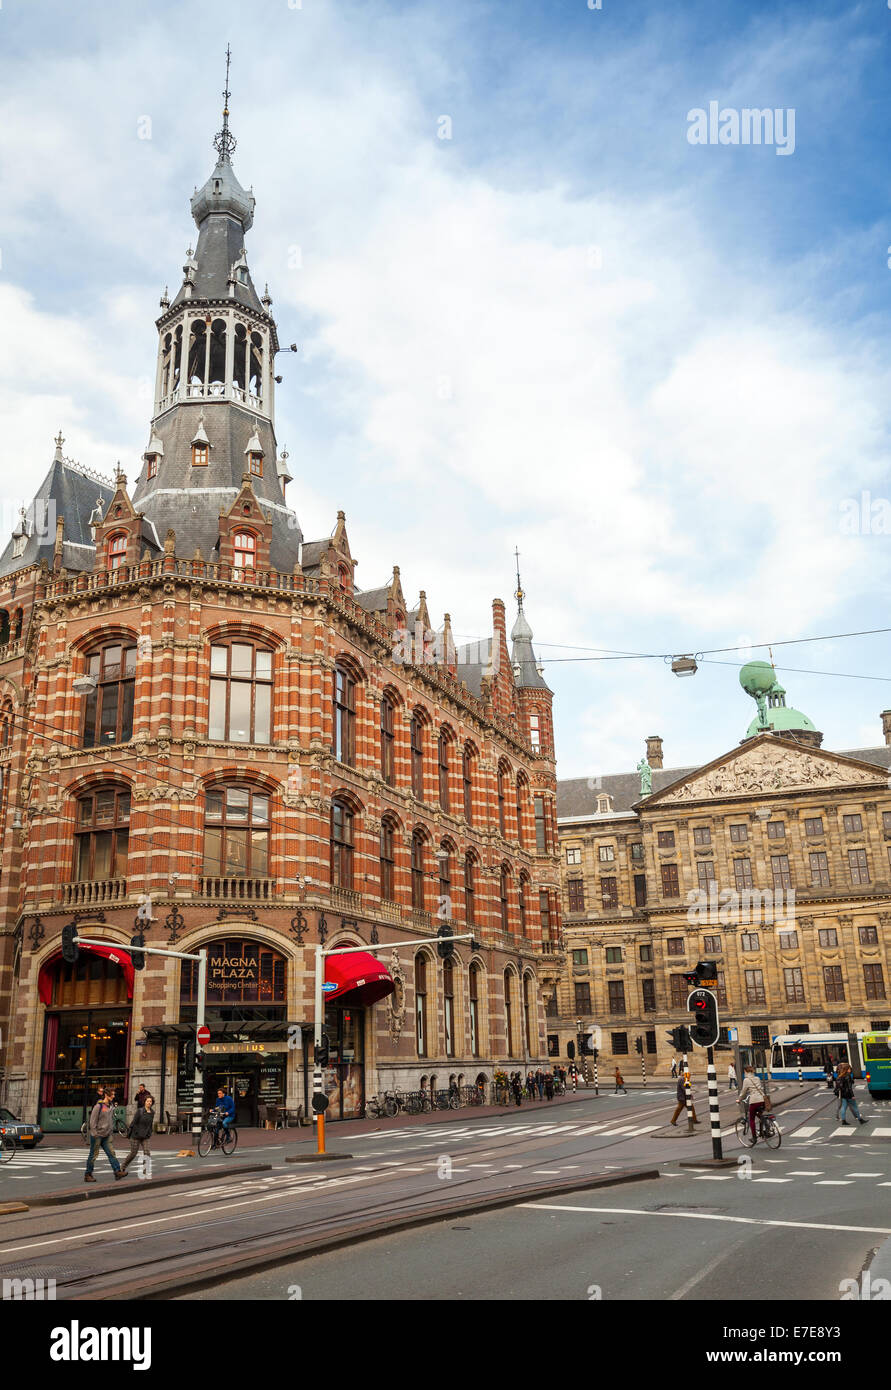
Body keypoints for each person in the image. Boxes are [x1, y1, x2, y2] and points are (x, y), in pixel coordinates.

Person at [84, 1089, 125, 1183]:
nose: (114, 1096)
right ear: (106, 1095)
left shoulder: (110, 1106)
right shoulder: (99, 1106)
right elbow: (92, 1121)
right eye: (112, 1094)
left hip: (107, 1135)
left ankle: (117, 1171)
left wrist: (110, 1132)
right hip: (98, 1135)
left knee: (111, 1153)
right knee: (93, 1155)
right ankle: (88, 1174)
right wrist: (94, 1133)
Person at [120, 1095, 155, 1174]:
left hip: (145, 1135)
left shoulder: (152, 1112)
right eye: (147, 1101)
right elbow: (133, 1122)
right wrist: (130, 1133)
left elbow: (150, 1124)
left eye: (150, 1101)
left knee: (147, 1152)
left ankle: (145, 1170)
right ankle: (123, 1166)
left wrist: (149, 1132)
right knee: (133, 1153)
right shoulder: (140, 1111)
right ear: (144, 1102)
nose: (149, 1103)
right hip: (136, 1135)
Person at [738, 1066, 766, 1140]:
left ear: (746, 1072)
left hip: (754, 1101)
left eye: (744, 1072)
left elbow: (743, 1092)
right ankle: (767, 1128)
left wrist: (739, 1099)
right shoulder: (757, 1078)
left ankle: (754, 1137)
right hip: (762, 1100)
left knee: (751, 1119)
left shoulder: (746, 1080)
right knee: (760, 1115)